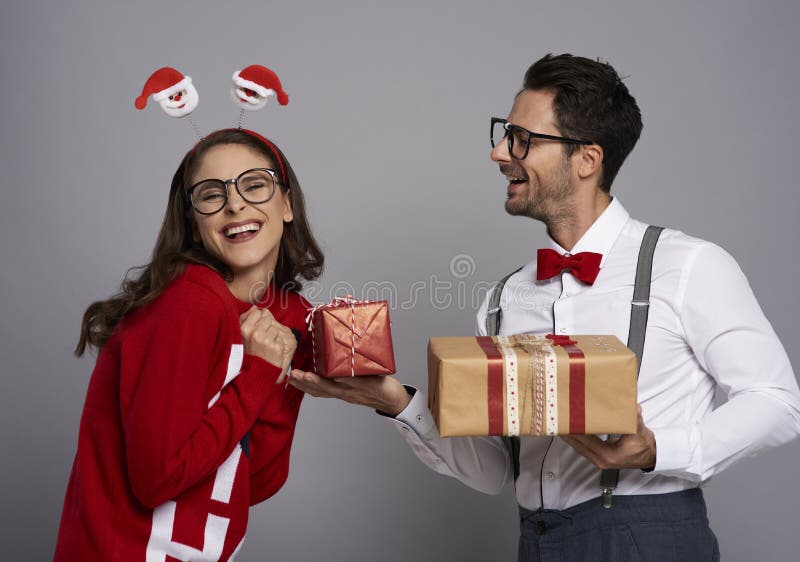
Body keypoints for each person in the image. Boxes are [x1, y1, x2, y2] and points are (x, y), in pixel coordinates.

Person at [289, 53, 800, 560]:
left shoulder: (687, 265)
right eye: (505, 134)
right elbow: (494, 470)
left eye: (522, 139)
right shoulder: (502, 300)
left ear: (587, 159)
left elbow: (778, 401)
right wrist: (395, 399)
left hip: (647, 536)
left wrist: (656, 449)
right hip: (536, 541)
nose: (498, 152)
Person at [53, 128, 324, 561]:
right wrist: (256, 375)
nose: (235, 203)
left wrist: (278, 377)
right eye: (212, 194)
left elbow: (256, 483)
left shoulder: (284, 316)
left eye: (255, 184)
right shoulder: (188, 302)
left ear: (287, 204)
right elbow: (157, 479)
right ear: (195, 225)